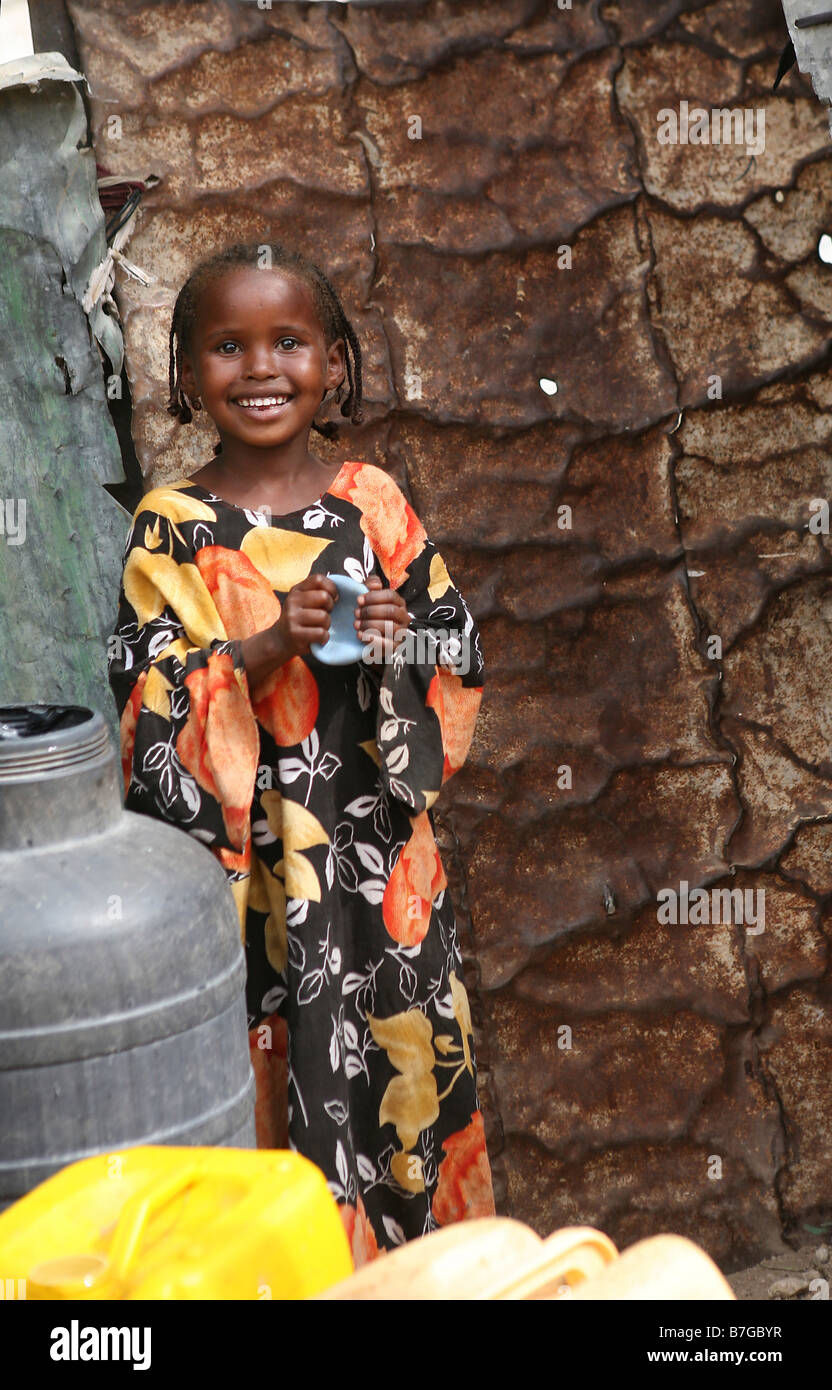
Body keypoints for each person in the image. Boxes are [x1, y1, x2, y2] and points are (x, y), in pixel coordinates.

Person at [107, 240, 496, 1264]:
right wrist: (263, 643)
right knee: (269, 1092)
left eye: (289, 342)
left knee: (399, 1075)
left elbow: (454, 649)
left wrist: (390, 641)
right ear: (187, 376)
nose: (262, 368)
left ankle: (425, 1285)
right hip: (254, 886)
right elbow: (144, 697)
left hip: (379, 871)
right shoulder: (173, 526)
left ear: (335, 363)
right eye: (228, 347)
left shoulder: (374, 500)